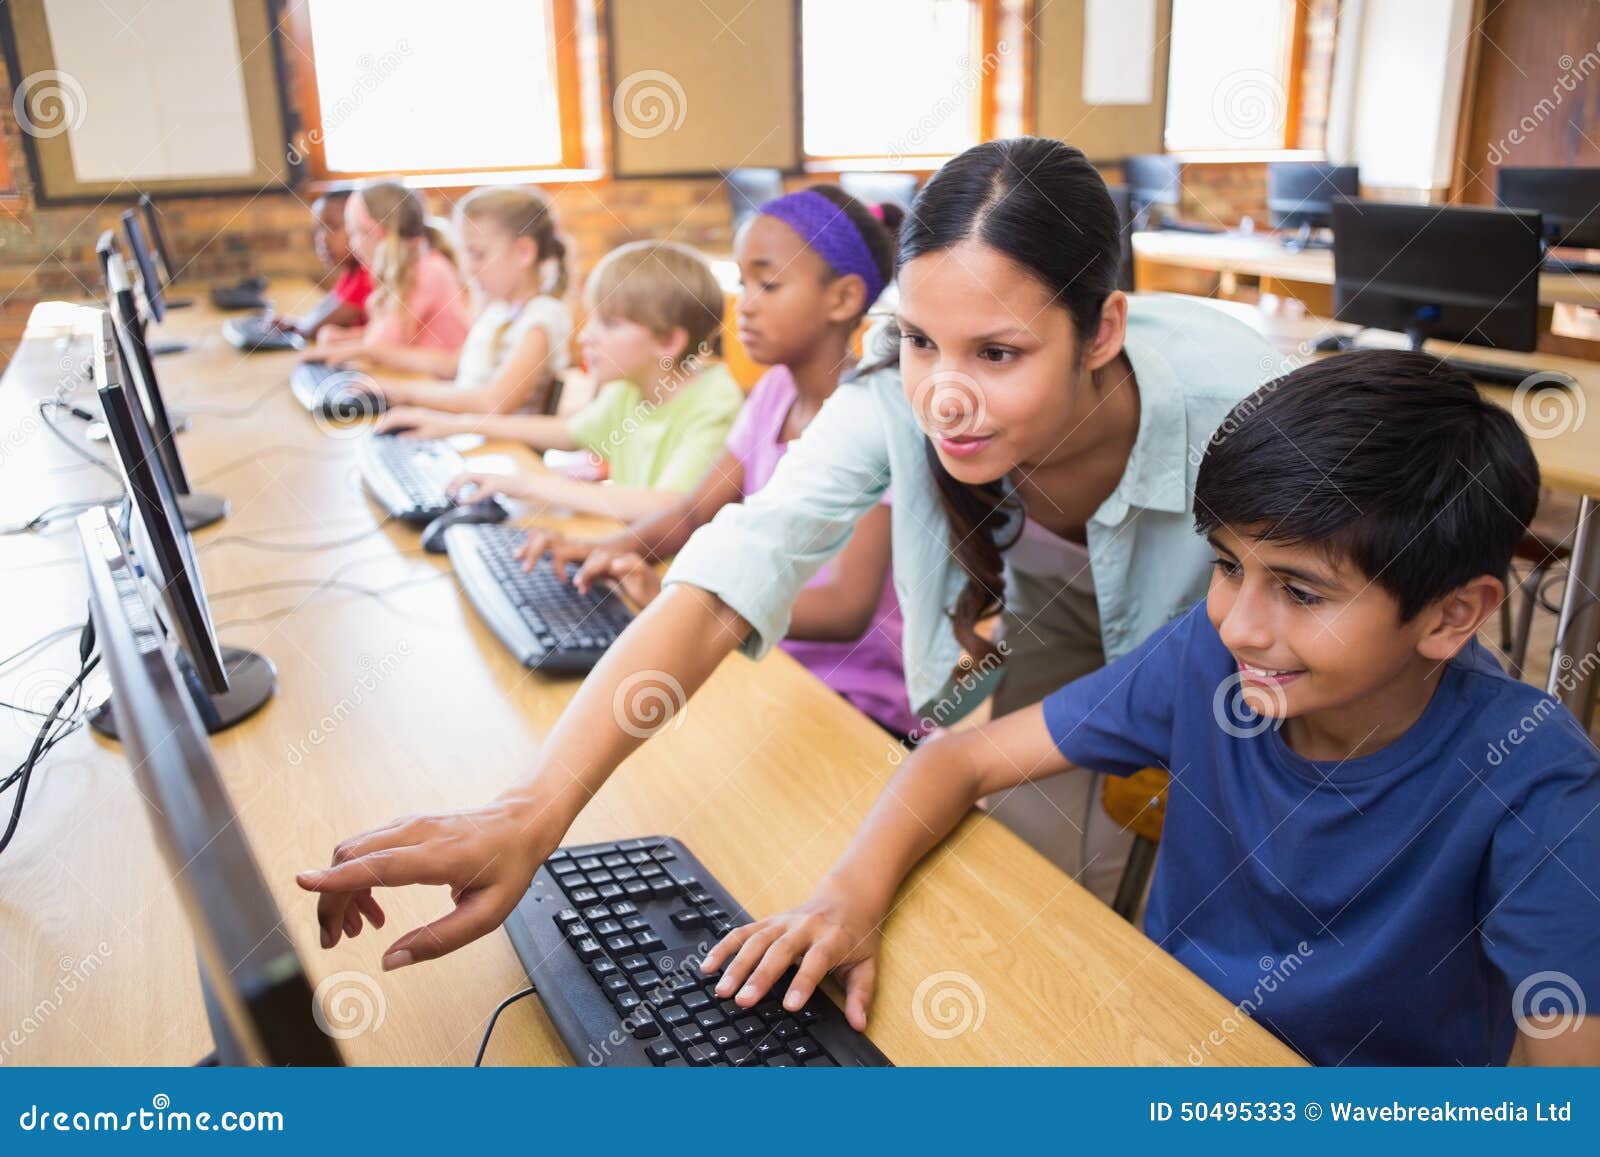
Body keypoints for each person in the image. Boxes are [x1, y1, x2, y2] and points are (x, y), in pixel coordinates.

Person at [294, 137, 1280, 971]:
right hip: (1051, 593)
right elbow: (738, 565)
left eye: (999, 352)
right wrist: (530, 808)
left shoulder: (1239, 407)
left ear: (1101, 329)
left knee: (1217, 871)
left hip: (1245, 644)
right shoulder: (898, 391)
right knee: (1039, 888)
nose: (942, 394)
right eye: (925, 340)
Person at [695, 351, 1600, 1068]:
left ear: (1451, 614)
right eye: (1229, 564)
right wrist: (846, 900)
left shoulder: (1534, 776)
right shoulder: (1203, 660)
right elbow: (959, 759)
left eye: (1302, 591)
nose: (1241, 624)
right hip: (1150, 1050)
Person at [525, 185, 918, 740]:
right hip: (758, 656)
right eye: (742, 282)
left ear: (843, 298)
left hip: (851, 701)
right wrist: (602, 552)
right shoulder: (774, 392)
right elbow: (692, 512)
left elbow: (845, 607)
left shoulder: (874, 419)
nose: (747, 305)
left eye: (769, 283)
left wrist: (688, 602)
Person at [376, 241, 744, 524]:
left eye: (609, 324)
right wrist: (452, 425)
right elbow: (570, 432)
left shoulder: (715, 404)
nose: (586, 338)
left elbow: (669, 505)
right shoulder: (631, 385)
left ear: (668, 342)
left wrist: (529, 484)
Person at [323, 185, 574, 415]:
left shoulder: (542, 318)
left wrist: (401, 393)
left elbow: (493, 403)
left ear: (524, 252)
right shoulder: (498, 310)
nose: (470, 268)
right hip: (468, 434)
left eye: (478, 254)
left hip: (503, 452)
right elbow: (452, 364)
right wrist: (370, 354)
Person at [307, 179, 471, 357]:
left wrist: (348, 346)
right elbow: (390, 335)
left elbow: (386, 344)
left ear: (377, 232)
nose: (353, 245)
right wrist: (345, 338)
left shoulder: (428, 271)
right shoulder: (405, 270)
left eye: (356, 233)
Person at [270, 185, 372, 339]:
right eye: (318, 230)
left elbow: (316, 327)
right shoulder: (351, 272)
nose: (323, 240)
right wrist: (298, 324)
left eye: (333, 227)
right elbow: (327, 307)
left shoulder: (369, 274)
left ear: (362, 226)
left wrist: (303, 327)